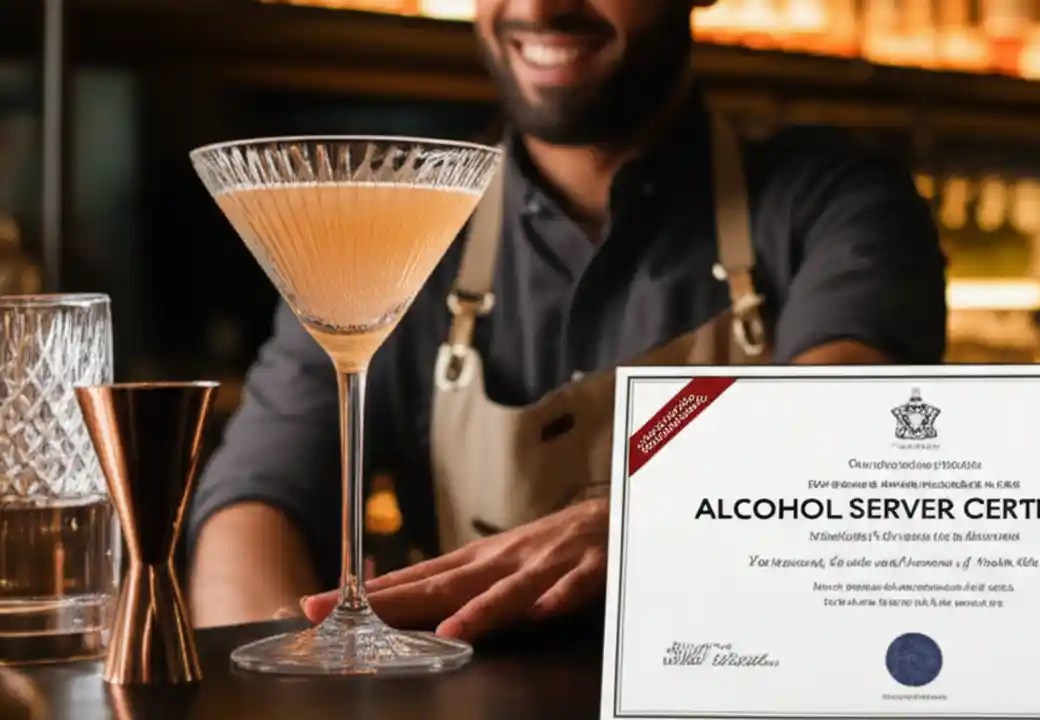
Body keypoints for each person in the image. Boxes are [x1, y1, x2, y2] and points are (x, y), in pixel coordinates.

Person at [187, 0, 947, 642]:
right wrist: (288, 676)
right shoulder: (403, 218)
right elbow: (258, 499)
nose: (541, 5)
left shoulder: (834, 201)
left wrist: (649, 518)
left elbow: (854, 415)